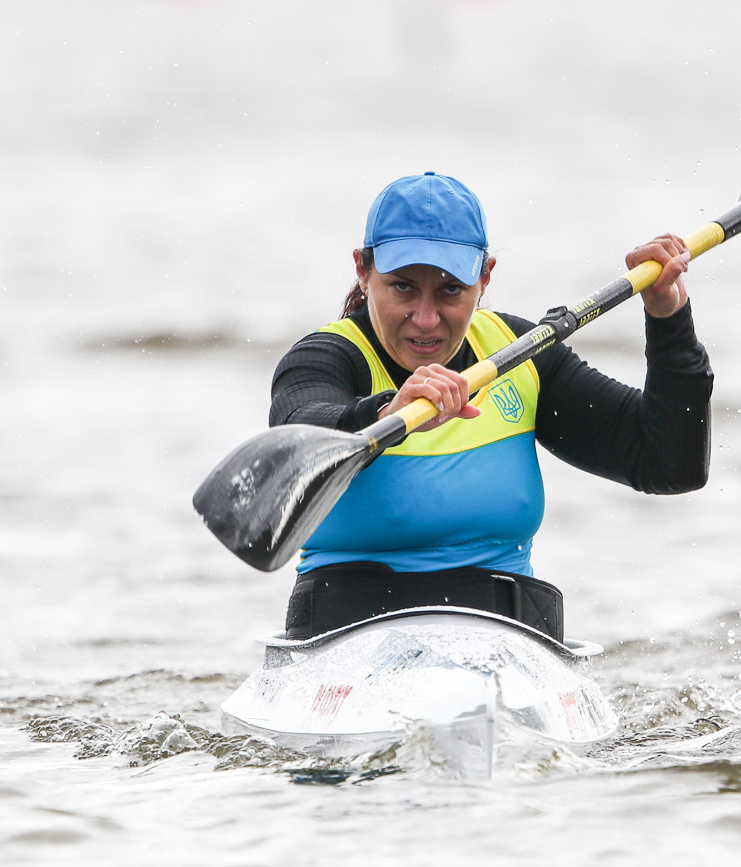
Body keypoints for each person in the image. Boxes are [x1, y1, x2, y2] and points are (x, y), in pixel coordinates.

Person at [269, 172, 712, 641]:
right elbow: (299, 431)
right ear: (363, 270)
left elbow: (669, 465)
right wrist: (386, 414)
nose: (426, 318)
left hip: (505, 645)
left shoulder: (519, 353)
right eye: (403, 288)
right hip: (346, 638)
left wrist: (668, 318)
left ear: (485, 277)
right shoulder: (323, 358)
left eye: (450, 290)